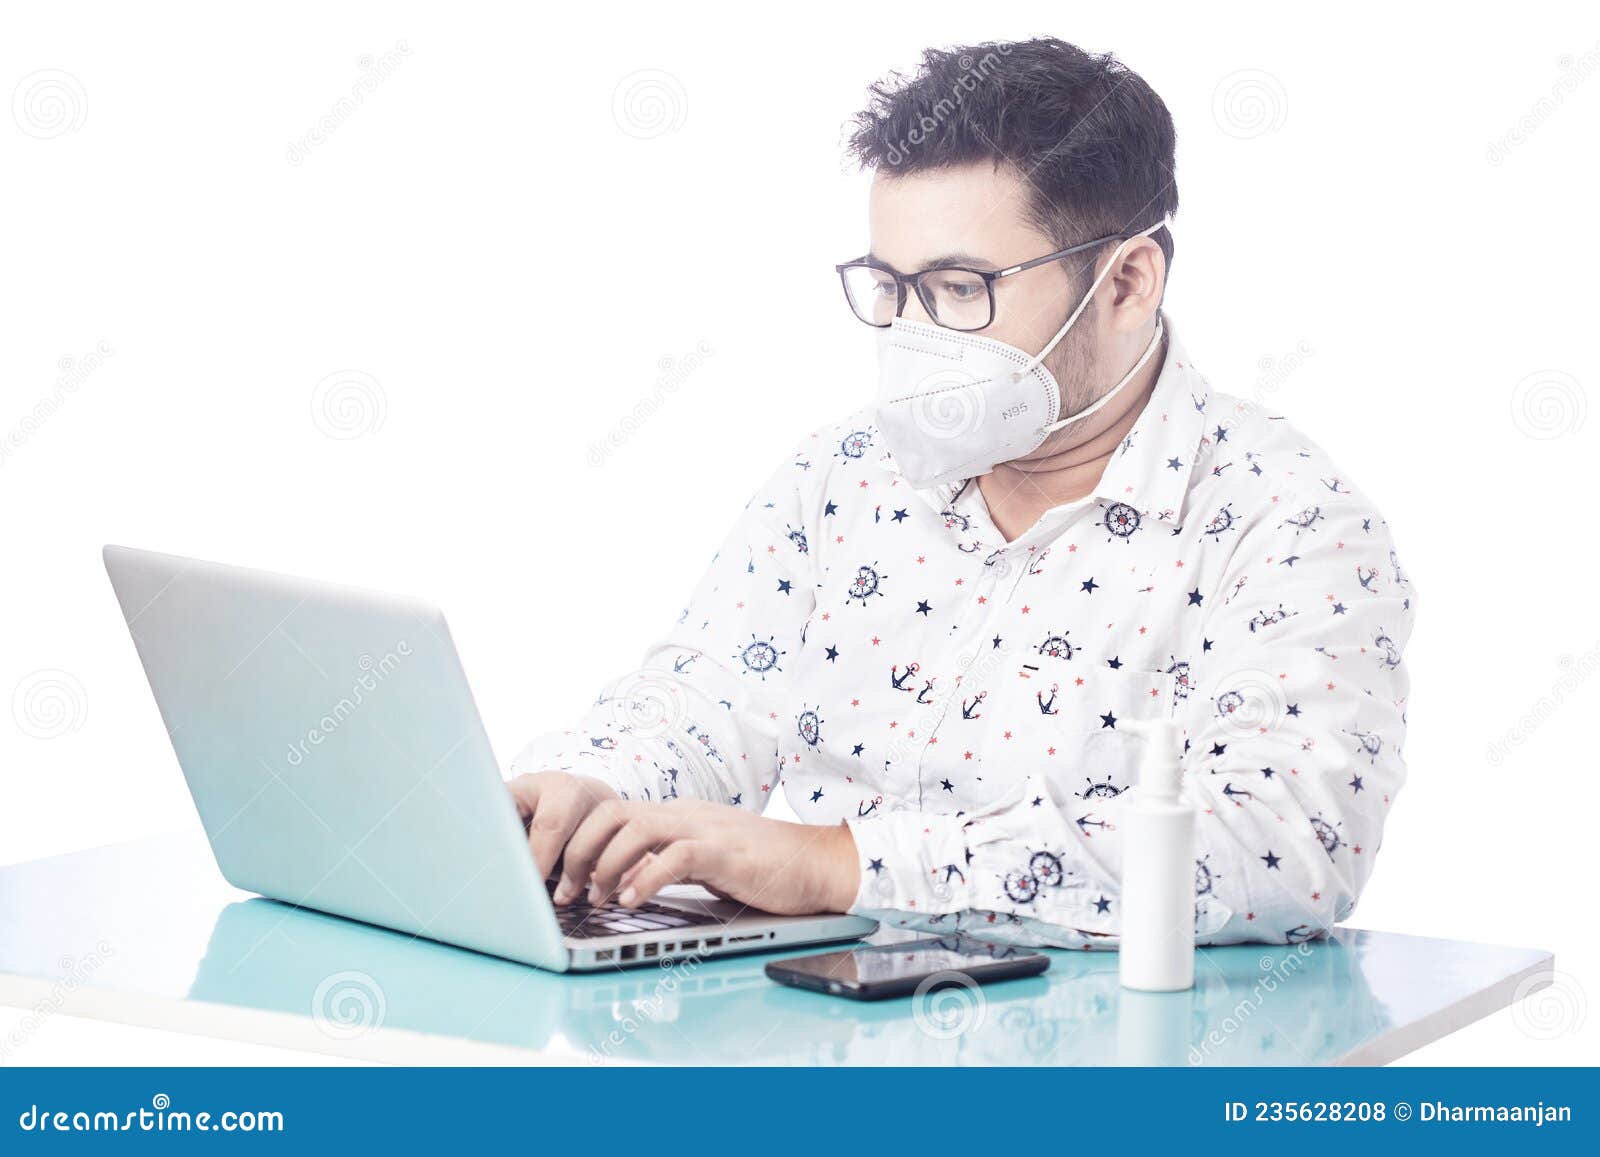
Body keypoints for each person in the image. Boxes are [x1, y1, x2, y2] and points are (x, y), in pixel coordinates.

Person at [508, 38, 1415, 947]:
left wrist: (837, 863)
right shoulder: (843, 475)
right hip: (814, 1030)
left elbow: (1285, 844)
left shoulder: (1287, 522)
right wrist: (592, 790)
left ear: (1127, 283)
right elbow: (705, 699)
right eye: (891, 287)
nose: (911, 334)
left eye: (957, 287)